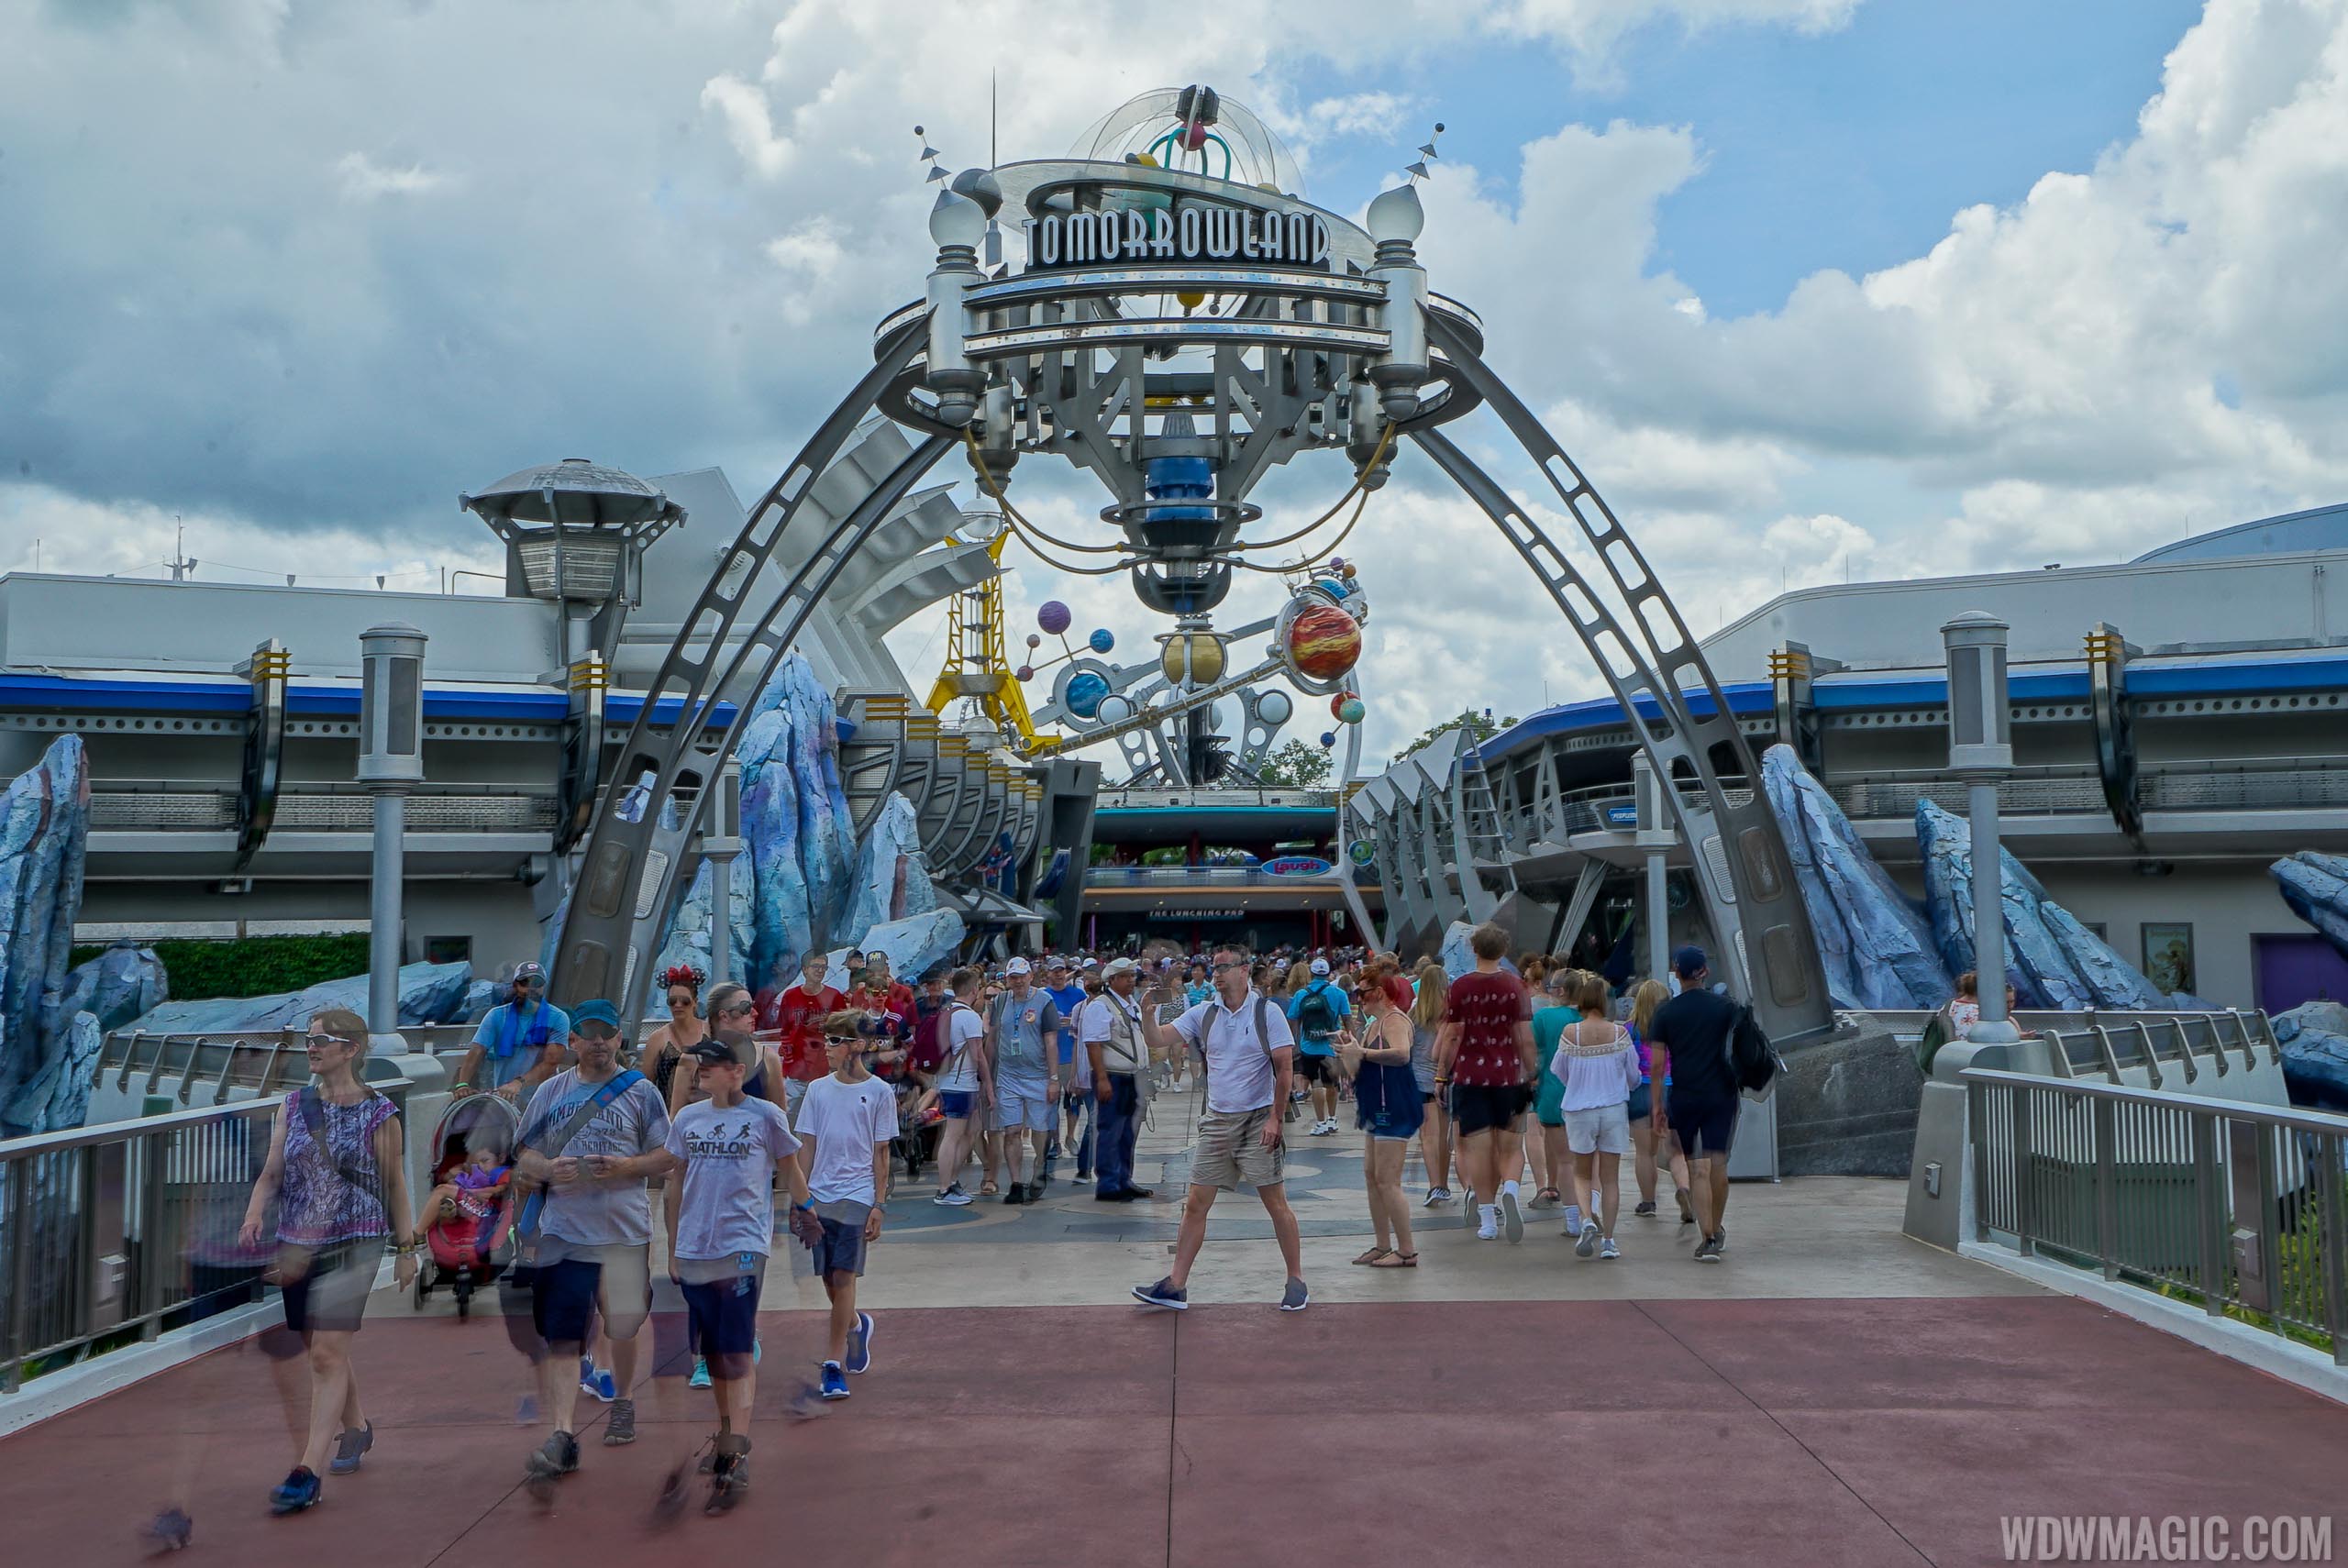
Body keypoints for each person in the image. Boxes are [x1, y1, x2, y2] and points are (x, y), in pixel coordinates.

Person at [238, 1008, 417, 1516]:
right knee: (321, 1347)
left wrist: (406, 1250)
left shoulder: (380, 1114)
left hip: (355, 1243)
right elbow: (273, 1172)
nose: (310, 1048)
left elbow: (396, 1185)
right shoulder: (293, 1106)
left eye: (321, 1041)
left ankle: (307, 1471)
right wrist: (255, 1213)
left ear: (351, 1049)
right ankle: (357, 1428)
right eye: (308, 1040)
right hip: (299, 1242)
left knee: (325, 1356)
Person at [513, 999, 673, 1479]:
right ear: (574, 1042)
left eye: (607, 1033)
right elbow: (523, 1152)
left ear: (619, 1039)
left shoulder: (642, 1093)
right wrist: (549, 1169)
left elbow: (667, 1154)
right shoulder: (549, 1093)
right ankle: (562, 1433)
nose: (599, 1042)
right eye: (589, 1034)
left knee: (621, 1325)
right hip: (565, 1233)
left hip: (624, 1231)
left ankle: (622, 1399)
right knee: (563, 1336)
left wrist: (624, 1167)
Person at [659, 1041, 817, 1511]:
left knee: (738, 1344)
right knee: (712, 1350)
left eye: (711, 1066)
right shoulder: (687, 1120)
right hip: (696, 1248)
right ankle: (727, 1433)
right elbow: (675, 1181)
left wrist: (807, 1211)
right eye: (698, 1065)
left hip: (743, 1246)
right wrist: (671, 1247)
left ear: (737, 1071)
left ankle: (738, 1451)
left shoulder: (766, 1115)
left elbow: (788, 1168)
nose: (701, 1072)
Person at [1132, 947, 1308, 1312]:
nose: (1216, 974)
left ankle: (1296, 1279)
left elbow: (1285, 1068)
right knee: (1196, 1202)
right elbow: (1158, 1039)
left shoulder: (1266, 1012)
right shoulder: (1205, 1012)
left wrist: (1276, 1117)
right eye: (1214, 968)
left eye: (1224, 968)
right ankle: (1176, 1285)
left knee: (1275, 1202)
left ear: (1244, 971)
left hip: (1258, 1117)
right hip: (1218, 1119)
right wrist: (1148, 1016)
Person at [796, 1010, 899, 1400]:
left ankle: (832, 1363)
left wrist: (878, 1203)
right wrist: (802, 1197)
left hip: (856, 1196)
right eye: (826, 1041)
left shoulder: (879, 1093)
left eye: (835, 1042)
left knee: (843, 1277)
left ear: (858, 1045)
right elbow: (806, 1145)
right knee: (829, 1279)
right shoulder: (818, 1090)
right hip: (820, 1194)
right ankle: (856, 1324)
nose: (828, 1049)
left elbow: (881, 1152)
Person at [1435, 922, 1536, 1243]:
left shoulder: (1460, 987)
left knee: (1479, 1149)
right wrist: (1531, 1071)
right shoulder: (1515, 986)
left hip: (1470, 1076)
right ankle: (1510, 1187)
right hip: (1510, 1075)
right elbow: (1524, 1036)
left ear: (1473, 949)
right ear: (1504, 951)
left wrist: (1441, 1075)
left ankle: (1488, 1219)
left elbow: (1452, 1035)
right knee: (1511, 1146)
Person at [1646, 946, 1740, 1261]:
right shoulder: (1726, 1007)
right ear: (1705, 972)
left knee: (1696, 1168)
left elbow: (1657, 1066)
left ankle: (1708, 1236)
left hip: (1685, 1095)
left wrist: (1657, 1105)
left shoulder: (1666, 1012)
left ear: (1676, 973)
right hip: (1722, 1094)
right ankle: (1718, 1228)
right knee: (1718, 1162)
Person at [1550, 971, 1642, 1260]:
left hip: (1579, 1110)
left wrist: (1580, 1082)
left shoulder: (1570, 1033)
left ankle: (1587, 1219)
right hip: (1613, 1109)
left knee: (1581, 1172)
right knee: (1610, 1178)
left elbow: (1559, 1071)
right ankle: (1610, 1241)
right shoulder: (1620, 1034)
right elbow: (1633, 1076)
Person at [1340, 974, 1420, 1268]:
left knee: (1387, 1180)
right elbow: (1358, 1067)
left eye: (1363, 994)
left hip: (1395, 1104)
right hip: (1377, 1105)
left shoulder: (1395, 1021)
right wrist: (1349, 1050)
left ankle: (1407, 1250)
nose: (1358, 1000)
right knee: (1373, 1176)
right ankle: (1383, 1243)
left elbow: (1401, 1054)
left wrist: (1362, 1051)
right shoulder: (1372, 1025)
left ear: (1381, 993)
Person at [985, 958, 1061, 1205]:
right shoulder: (999, 1002)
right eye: (1013, 977)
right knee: (1012, 1130)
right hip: (1008, 1076)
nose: (1017, 981)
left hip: (1038, 1075)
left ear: (1030, 976)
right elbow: (993, 1039)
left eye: (1021, 976)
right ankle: (1016, 1182)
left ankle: (1040, 1163)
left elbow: (1051, 1042)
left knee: (1040, 1128)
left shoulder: (1044, 1002)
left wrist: (1053, 1079)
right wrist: (986, 1075)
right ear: (1007, 979)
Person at [1081, 957, 1154, 1202]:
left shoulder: (1130, 1003)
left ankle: (1124, 1178)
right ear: (1111, 980)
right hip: (1113, 1075)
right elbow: (1093, 1044)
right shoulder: (1101, 1006)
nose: (1131, 981)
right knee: (1110, 1129)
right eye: (1126, 977)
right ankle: (1108, 1183)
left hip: (1131, 1076)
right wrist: (1101, 1079)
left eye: (1133, 976)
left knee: (1127, 1132)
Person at [456, 962, 568, 1103]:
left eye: (537, 983)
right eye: (525, 982)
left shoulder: (558, 1018)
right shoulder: (496, 1016)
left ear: (544, 986)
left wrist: (518, 1083)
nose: (531, 988)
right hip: (505, 1099)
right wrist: (463, 1084)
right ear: (515, 985)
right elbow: (477, 1051)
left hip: (544, 1100)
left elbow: (551, 1062)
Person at [762, 951, 846, 1133]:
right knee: (787, 1114)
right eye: (816, 966)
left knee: (823, 1116)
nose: (820, 971)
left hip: (824, 1069)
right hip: (796, 1069)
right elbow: (785, 1029)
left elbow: (842, 1032)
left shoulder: (835, 997)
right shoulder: (790, 996)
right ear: (805, 969)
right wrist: (788, 1056)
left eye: (823, 967)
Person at [1625, 978, 1688, 1220]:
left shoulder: (1631, 1029)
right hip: (1673, 1088)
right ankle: (1684, 1188)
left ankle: (1648, 1202)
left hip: (1642, 1089)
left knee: (1646, 1153)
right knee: (1676, 1151)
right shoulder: (1679, 1026)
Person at [929, 966, 992, 1205]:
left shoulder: (946, 1012)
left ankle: (951, 1182)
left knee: (971, 1129)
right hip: (961, 1083)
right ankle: (944, 1188)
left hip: (949, 1081)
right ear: (974, 989)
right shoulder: (968, 1017)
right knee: (954, 1135)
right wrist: (988, 1085)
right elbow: (979, 1055)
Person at [1529, 968, 1581, 1227]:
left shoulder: (1544, 1017)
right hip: (1587, 1096)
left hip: (1552, 1091)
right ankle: (1591, 1210)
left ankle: (1571, 1217)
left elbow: (1534, 1053)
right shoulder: (1587, 1017)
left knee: (1564, 1159)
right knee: (1587, 1161)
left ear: (1560, 991)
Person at [1287, 956, 1350, 1137]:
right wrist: (1351, 1041)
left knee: (1316, 1084)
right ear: (1329, 973)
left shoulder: (1301, 995)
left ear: (1312, 973)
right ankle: (1332, 1118)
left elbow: (1292, 1020)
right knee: (1331, 1084)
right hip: (1332, 1046)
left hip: (1309, 1046)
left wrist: (1293, 1042)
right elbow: (1346, 1019)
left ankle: (1320, 1122)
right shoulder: (1339, 993)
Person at [1042, 956, 1093, 1180]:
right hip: (1050, 1058)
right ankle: (1055, 1142)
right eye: (1054, 971)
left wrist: (1072, 1022)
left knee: (1073, 1100)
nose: (1059, 975)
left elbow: (1087, 1018)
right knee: (1050, 1102)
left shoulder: (1078, 995)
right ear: (1048, 974)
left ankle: (1071, 1136)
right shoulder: (1043, 996)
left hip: (1073, 1055)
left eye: (1061, 971)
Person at [1412, 963, 1454, 1207]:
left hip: (1419, 1080)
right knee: (1445, 1137)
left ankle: (1434, 1185)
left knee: (1428, 1136)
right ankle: (1444, 1185)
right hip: (1446, 1078)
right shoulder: (1450, 1013)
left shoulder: (1414, 1014)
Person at [644, 965, 709, 1105]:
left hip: (707, 1117)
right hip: (670, 1118)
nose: (678, 1005)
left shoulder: (711, 1031)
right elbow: (646, 1088)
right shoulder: (657, 1039)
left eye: (685, 1001)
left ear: (695, 1003)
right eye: (672, 1001)